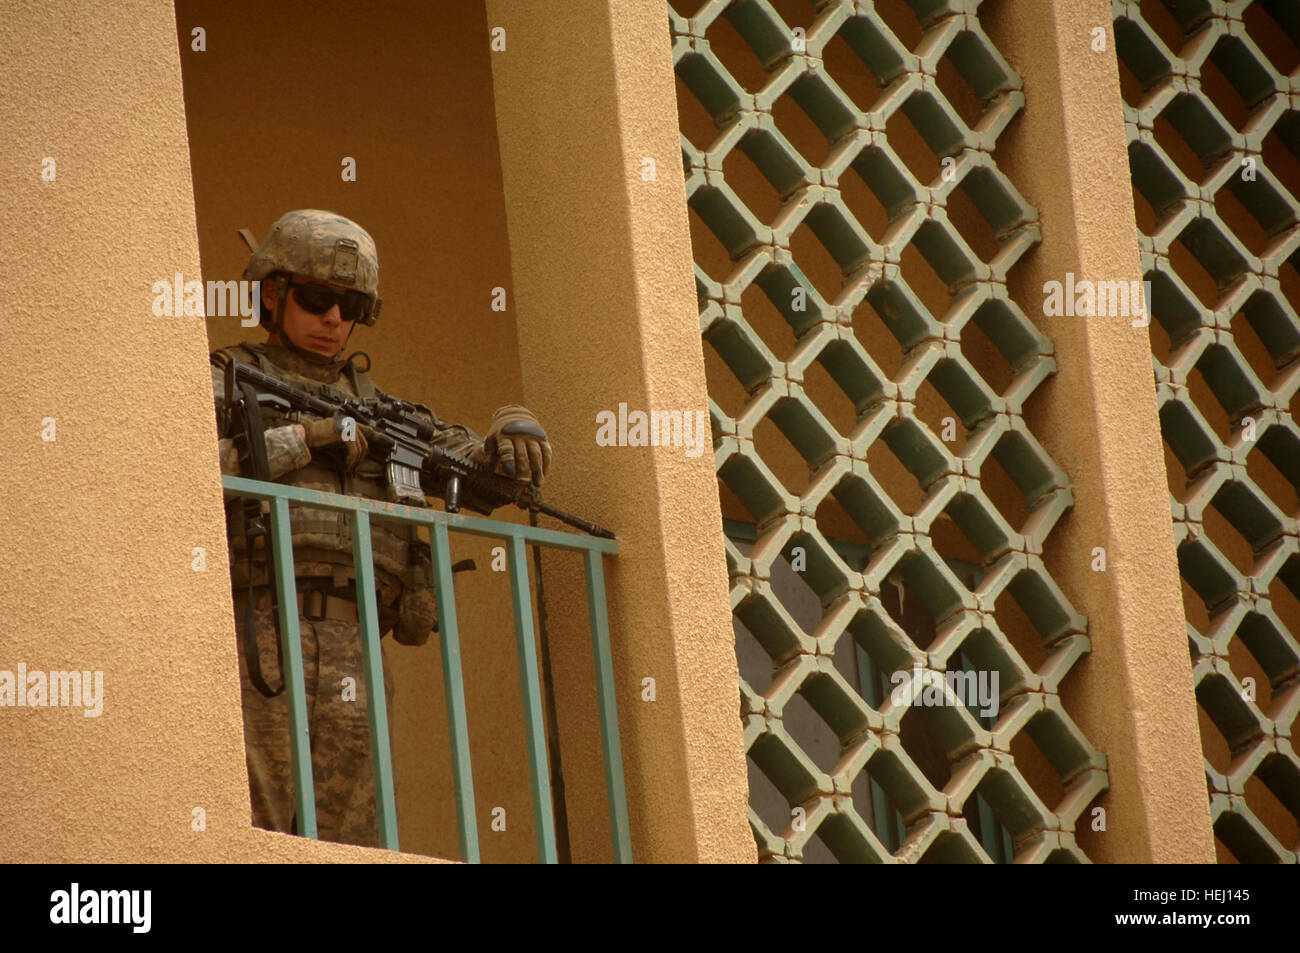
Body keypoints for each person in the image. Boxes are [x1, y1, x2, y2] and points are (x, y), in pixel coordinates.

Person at [210, 209, 552, 847]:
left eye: (351, 305)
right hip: (255, 627)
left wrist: (510, 432)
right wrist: (303, 439)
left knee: (353, 840)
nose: (333, 319)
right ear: (272, 293)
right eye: (316, 299)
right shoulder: (223, 381)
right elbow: (172, 472)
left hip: (356, 639)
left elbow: (480, 475)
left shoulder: (385, 411)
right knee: (251, 830)